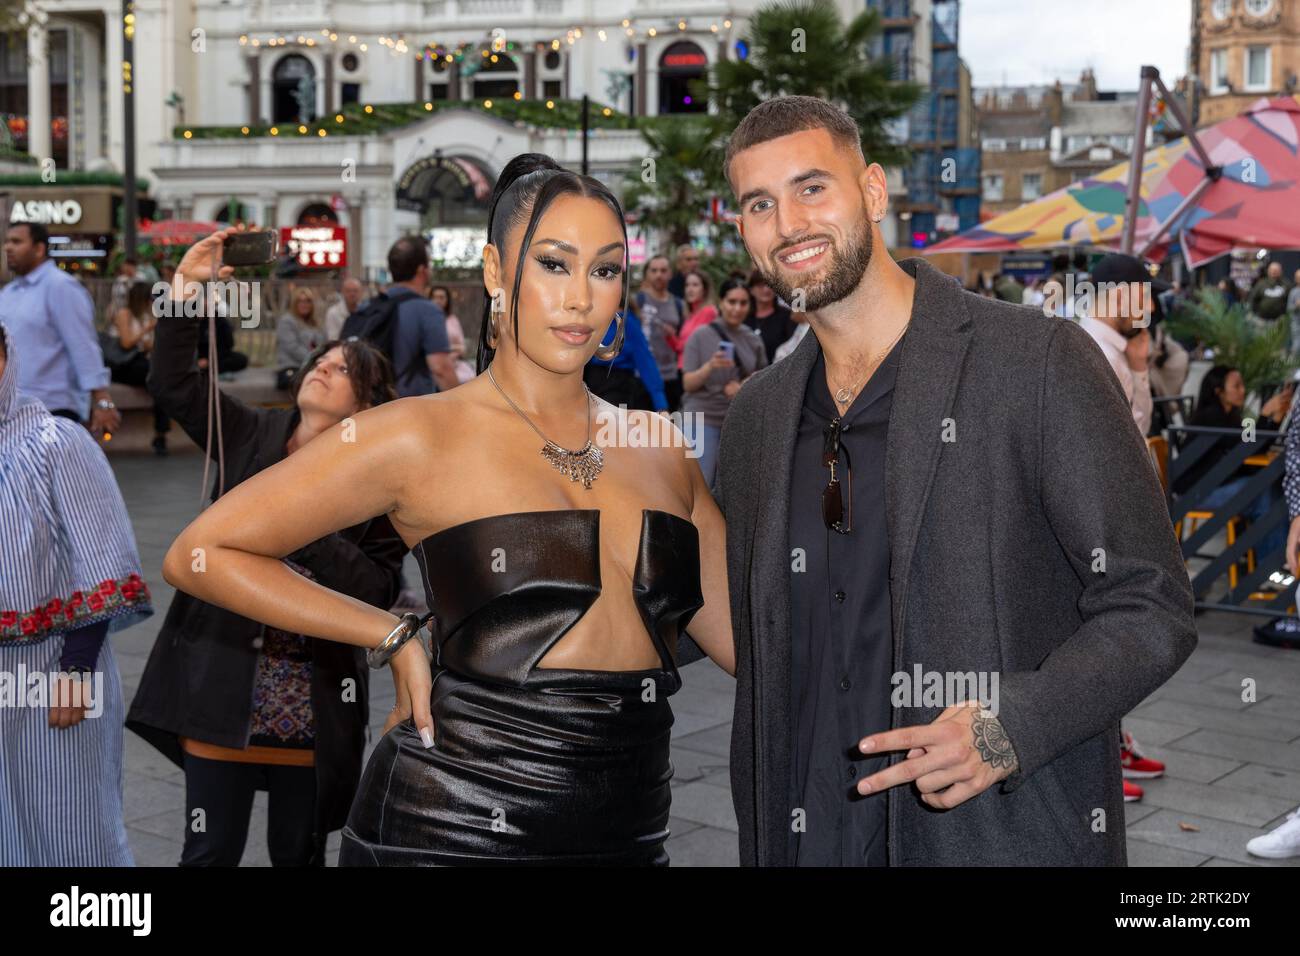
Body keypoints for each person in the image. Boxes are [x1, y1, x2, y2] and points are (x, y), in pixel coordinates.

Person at [158, 153, 737, 867]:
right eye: (554, 264)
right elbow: (200, 553)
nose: (582, 297)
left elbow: (751, 643)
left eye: (606, 268)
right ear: (496, 272)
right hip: (448, 824)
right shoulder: (416, 433)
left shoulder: (660, 446)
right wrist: (390, 633)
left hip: (633, 827)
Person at [699, 95, 1196, 866]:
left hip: (986, 835)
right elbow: (732, 622)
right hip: (805, 833)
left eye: (811, 188)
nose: (788, 223)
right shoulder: (761, 414)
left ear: (871, 191)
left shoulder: (1037, 363)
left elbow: (1151, 602)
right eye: (759, 203)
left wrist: (1008, 727)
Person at [127, 281, 407, 867]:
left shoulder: (378, 486)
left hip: (315, 710)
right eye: (320, 361)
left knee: (298, 855)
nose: (322, 370)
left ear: (365, 406)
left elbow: (377, 592)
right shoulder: (249, 434)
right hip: (221, 687)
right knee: (208, 851)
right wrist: (184, 292)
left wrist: (304, 514)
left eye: (343, 368)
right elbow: (174, 383)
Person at [0, 322, 153, 865]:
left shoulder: (57, 442)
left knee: (71, 824)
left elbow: (102, 555)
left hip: (53, 671)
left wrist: (75, 670)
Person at [0, 222, 120, 435]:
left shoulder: (61, 287)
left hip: (53, 410)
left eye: (17, 241)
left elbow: (83, 345)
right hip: (11, 412)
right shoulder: (8, 293)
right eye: (7, 241)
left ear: (39, 249)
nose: (8, 247)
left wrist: (101, 399)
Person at [681, 277, 767, 487]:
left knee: (732, 488)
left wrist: (744, 385)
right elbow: (688, 384)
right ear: (721, 302)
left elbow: (764, 376)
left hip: (738, 420)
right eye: (731, 302)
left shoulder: (752, 339)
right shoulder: (700, 335)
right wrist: (709, 367)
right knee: (699, 484)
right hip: (702, 418)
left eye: (743, 303)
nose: (737, 308)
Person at [1078, 253, 1164, 438]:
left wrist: (1138, 366)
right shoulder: (1102, 356)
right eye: (1144, 296)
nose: (1151, 307)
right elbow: (1128, 442)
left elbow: (1138, 431)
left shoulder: (1101, 348)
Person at [101, 281, 172, 455]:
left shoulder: (146, 315)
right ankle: (160, 434)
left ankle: (161, 434)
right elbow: (126, 343)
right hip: (122, 365)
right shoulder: (124, 314)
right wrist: (146, 329)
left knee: (161, 383)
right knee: (159, 378)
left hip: (139, 362)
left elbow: (147, 345)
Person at [584, 305, 668, 413]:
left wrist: (661, 405)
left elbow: (645, 361)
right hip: (588, 383)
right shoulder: (590, 319)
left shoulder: (627, 323)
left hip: (617, 385)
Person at [635, 255, 688, 411]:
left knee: (668, 431)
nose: (659, 275)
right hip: (641, 376)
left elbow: (684, 340)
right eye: (654, 270)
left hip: (671, 376)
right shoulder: (638, 301)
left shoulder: (679, 304)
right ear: (647, 274)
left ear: (670, 273)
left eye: (663, 270)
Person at [275, 287, 328, 391]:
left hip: (314, 366)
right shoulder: (287, 321)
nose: (304, 304)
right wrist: (314, 361)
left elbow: (324, 345)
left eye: (308, 301)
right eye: (300, 301)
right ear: (294, 303)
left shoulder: (316, 323)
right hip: (292, 367)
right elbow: (293, 348)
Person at [745, 270, 796, 363]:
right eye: (760, 286)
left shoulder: (787, 316)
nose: (766, 289)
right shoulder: (744, 317)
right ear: (751, 290)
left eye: (769, 285)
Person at [430, 284, 474, 385]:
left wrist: (452, 350)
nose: (438, 301)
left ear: (447, 300)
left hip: (456, 364)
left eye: (441, 297)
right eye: (435, 297)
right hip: (436, 367)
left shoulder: (452, 320)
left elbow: (462, 348)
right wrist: (453, 348)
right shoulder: (427, 320)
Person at [672, 270, 719, 362]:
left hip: (697, 367)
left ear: (704, 289)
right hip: (685, 366)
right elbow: (680, 347)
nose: (690, 289)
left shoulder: (708, 312)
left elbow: (692, 344)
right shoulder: (690, 314)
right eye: (687, 285)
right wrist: (670, 336)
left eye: (695, 285)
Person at [324, 275, 366, 340]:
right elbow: (333, 339)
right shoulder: (333, 313)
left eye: (355, 291)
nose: (352, 294)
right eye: (348, 291)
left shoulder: (366, 311)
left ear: (361, 292)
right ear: (342, 292)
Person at [1287, 269, 1300, 356]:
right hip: (1296, 324)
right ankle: (1293, 367)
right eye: (1298, 278)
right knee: (1296, 346)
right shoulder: (1293, 292)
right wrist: (1296, 305)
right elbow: (1289, 309)